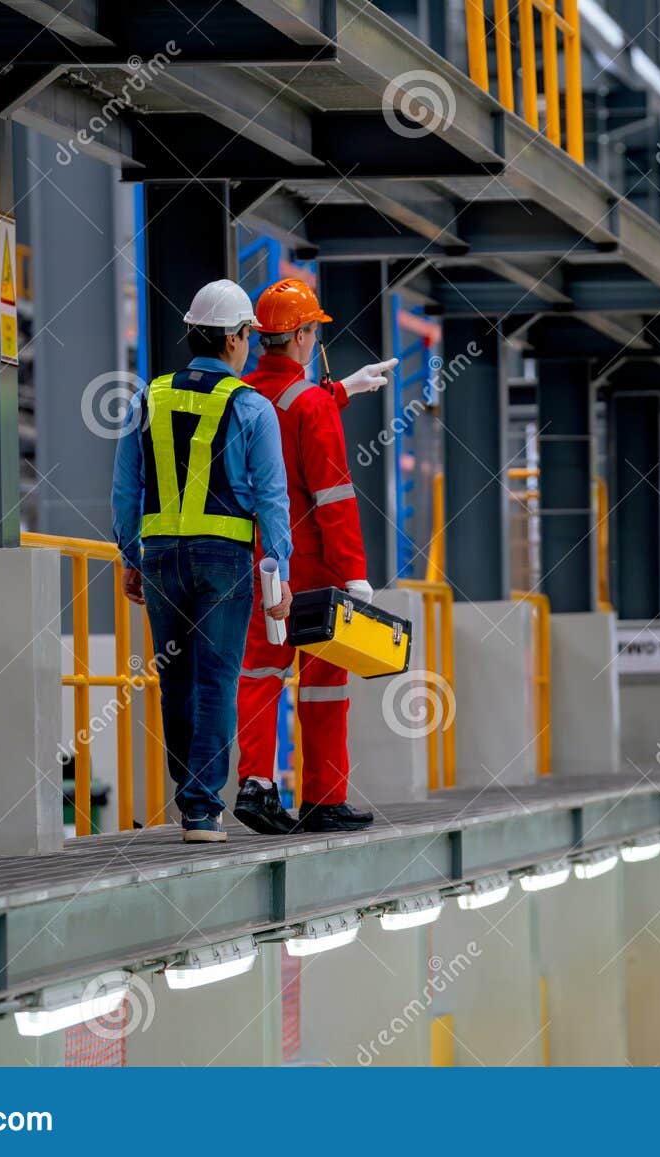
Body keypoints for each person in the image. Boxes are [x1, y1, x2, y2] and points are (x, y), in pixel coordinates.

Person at [112, 278, 293, 843]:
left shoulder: (148, 398)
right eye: (248, 337)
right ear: (236, 338)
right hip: (224, 562)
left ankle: (189, 792)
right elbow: (270, 496)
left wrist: (130, 555)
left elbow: (125, 488)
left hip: (162, 557)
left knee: (176, 679)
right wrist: (279, 569)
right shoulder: (251, 407)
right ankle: (200, 810)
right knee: (217, 679)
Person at [230, 277, 396, 834]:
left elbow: (286, 412)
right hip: (317, 567)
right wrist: (354, 574)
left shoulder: (243, 399)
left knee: (259, 673)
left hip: (258, 564)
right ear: (301, 336)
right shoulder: (311, 406)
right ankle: (324, 797)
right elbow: (334, 496)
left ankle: (256, 786)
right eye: (312, 332)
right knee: (324, 684)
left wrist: (343, 389)